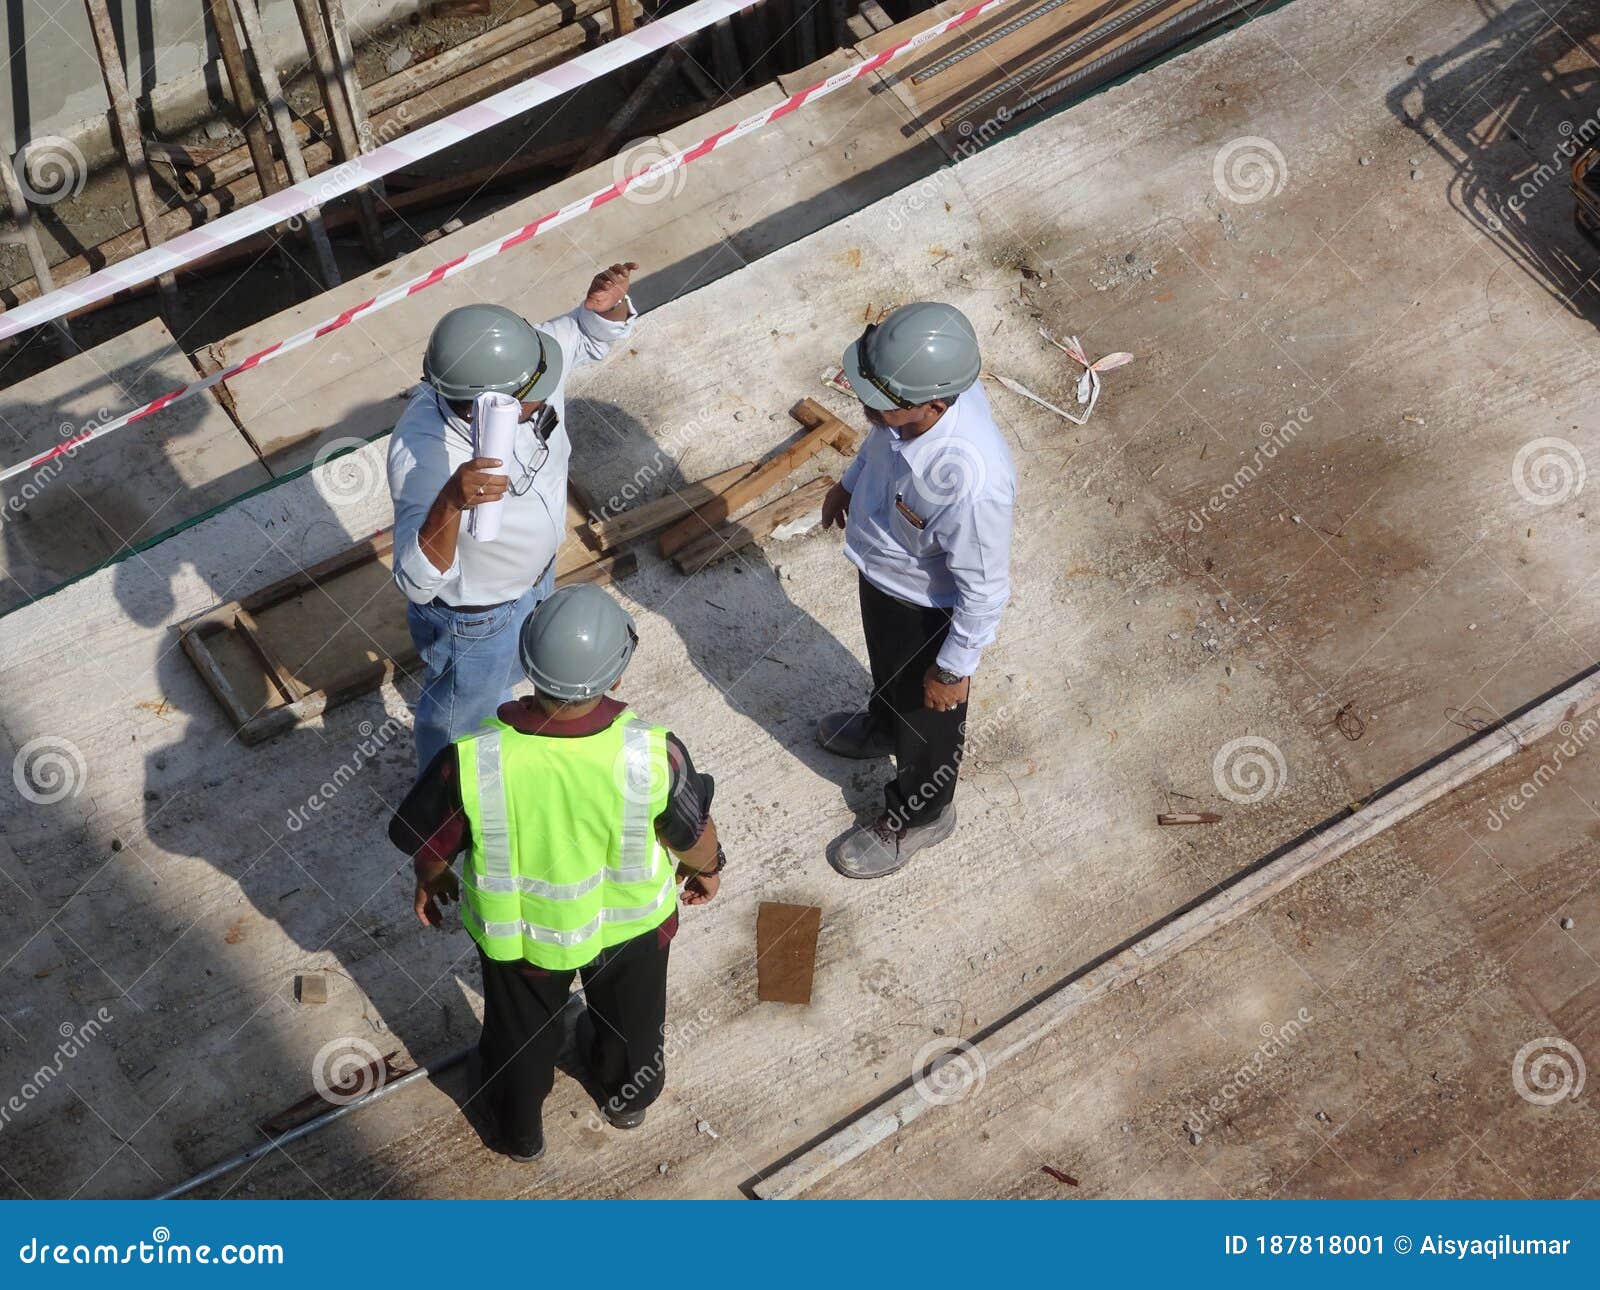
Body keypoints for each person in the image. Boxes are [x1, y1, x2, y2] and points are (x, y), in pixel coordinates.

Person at [389, 584, 725, 1162]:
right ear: (617, 674)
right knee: (634, 1021)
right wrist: (710, 870)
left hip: (524, 941)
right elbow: (693, 835)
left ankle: (518, 1131)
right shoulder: (653, 753)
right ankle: (627, 1098)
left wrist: (432, 878)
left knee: (518, 1036)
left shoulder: (474, 758)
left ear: (526, 660)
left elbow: (432, 843)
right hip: (632, 932)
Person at [388, 263, 638, 772]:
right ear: (485, 409)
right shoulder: (422, 459)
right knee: (459, 719)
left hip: (536, 577)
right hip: (477, 616)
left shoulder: (528, 363)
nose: (549, 389)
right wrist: (450, 502)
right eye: (534, 397)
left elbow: (588, 335)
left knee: (509, 680)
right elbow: (415, 582)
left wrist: (609, 305)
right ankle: (445, 794)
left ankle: (502, 734)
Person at [817, 301, 1015, 879]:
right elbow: (880, 440)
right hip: (884, 574)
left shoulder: (973, 482)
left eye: (880, 402)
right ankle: (883, 727)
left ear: (935, 405)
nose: (867, 408)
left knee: (926, 715)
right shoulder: (904, 407)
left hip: (928, 609)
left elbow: (986, 590)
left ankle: (923, 812)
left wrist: (952, 668)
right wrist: (849, 484)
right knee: (888, 669)